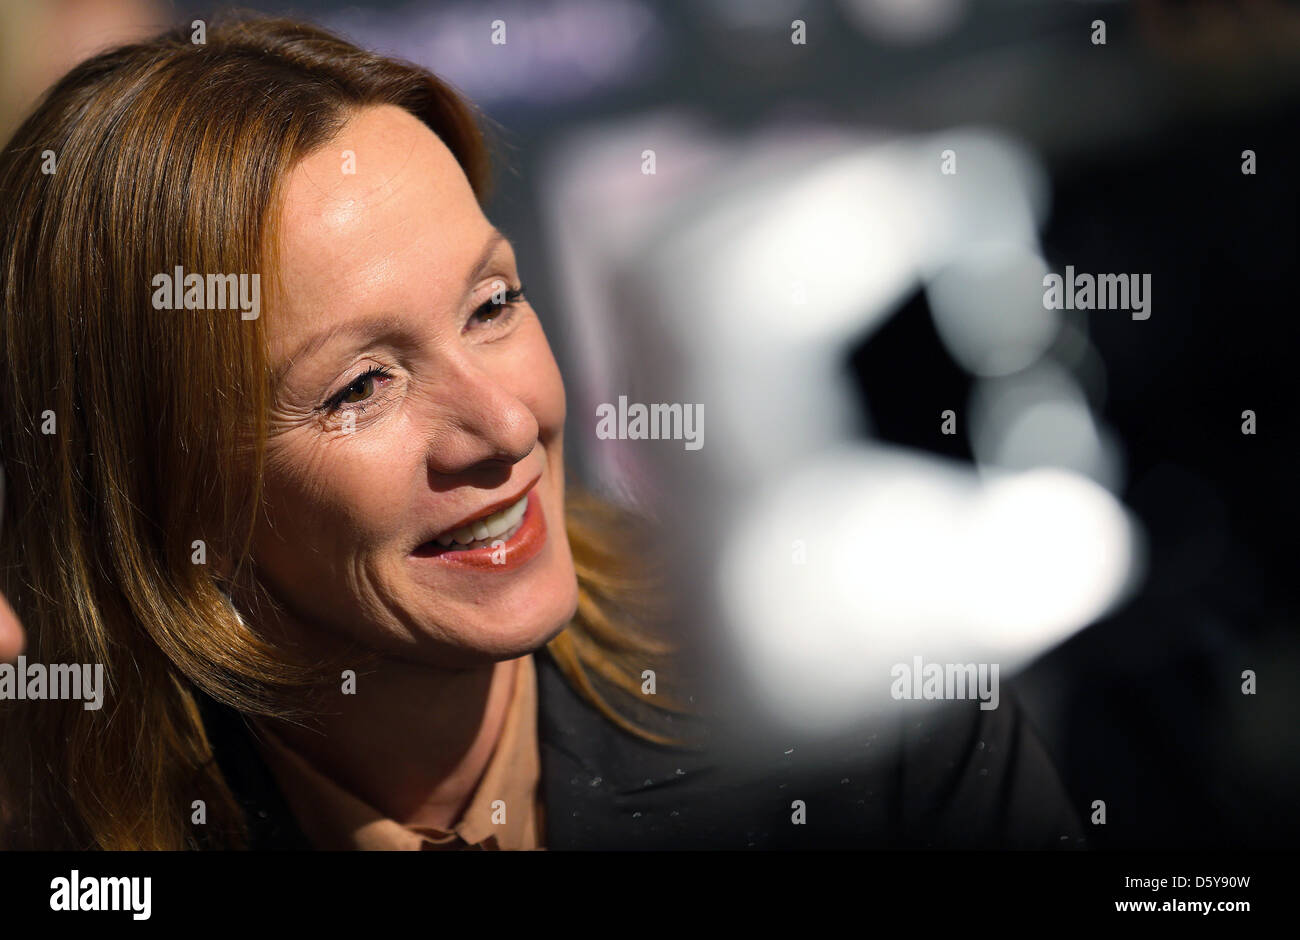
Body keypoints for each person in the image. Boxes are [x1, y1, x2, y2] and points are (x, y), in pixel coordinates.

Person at [0, 15, 1084, 851]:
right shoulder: (58, 823)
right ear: (163, 480)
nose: (507, 424)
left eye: (491, 306)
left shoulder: (859, 701)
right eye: (362, 386)